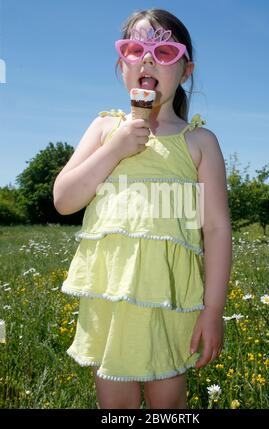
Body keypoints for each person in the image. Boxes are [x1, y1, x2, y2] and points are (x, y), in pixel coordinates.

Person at [53, 8, 232, 410]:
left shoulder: (199, 141)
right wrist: (114, 150)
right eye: (136, 48)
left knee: (168, 405)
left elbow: (217, 229)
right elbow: (64, 199)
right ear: (123, 65)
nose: (148, 59)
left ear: (185, 70)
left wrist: (214, 310)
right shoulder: (104, 128)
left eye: (165, 51)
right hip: (109, 298)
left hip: (171, 296)